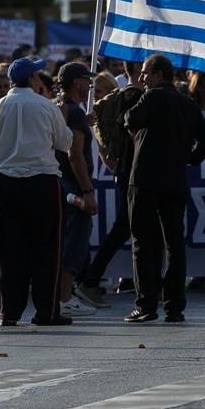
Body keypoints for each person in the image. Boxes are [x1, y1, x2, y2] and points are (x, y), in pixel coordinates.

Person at [0, 56, 70, 326]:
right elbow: (64, 143)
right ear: (32, 79)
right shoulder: (47, 106)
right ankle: (47, 312)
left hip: (5, 182)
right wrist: (62, 117)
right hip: (42, 183)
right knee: (46, 250)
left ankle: (9, 313)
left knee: (9, 252)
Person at [123, 54, 205, 323]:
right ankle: (174, 307)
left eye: (144, 73)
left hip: (145, 181)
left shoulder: (152, 96)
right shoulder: (188, 104)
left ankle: (146, 305)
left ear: (158, 75)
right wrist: (185, 158)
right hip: (175, 182)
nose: (141, 78)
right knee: (174, 244)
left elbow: (130, 120)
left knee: (142, 243)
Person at [78, 64, 144, 306]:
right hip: (135, 173)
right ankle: (90, 283)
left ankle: (148, 288)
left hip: (126, 172)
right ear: (138, 69)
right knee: (125, 229)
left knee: (130, 229)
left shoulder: (115, 99)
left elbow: (106, 145)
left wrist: (116, 168)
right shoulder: (136, 98)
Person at [53, 63, 99, 319]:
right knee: (74, 242)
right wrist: (88, 190)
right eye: (86, 79)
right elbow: (75, 155)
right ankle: (66, 299)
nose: (90, 83)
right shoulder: (73, 112)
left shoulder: (58, 107)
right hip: (73, 186)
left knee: (64, 242)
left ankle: (61, 297)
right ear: (76, 82)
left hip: (59, 184)